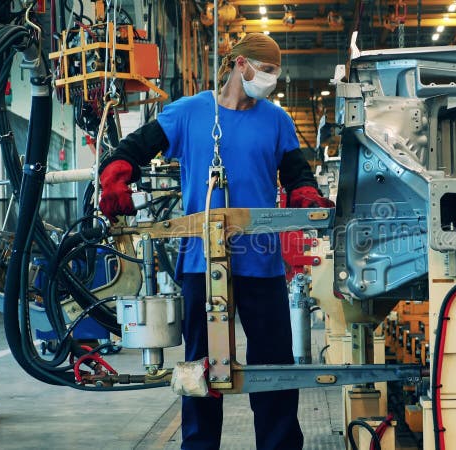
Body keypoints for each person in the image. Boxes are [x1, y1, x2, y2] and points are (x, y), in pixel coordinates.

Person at [97, 33, 334, 450]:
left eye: (275, 72)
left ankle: (279, 445)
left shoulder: (276, 120)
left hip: (262, 262)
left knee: (274, 366)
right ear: (240, 65)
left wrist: (306, 197)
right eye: (266, 70)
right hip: (200, 265)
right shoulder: (189, 112)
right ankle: (199, 445)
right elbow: (135, 147)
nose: (271, 80)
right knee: (200, 369)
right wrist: (117, 173)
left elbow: (297, 174)